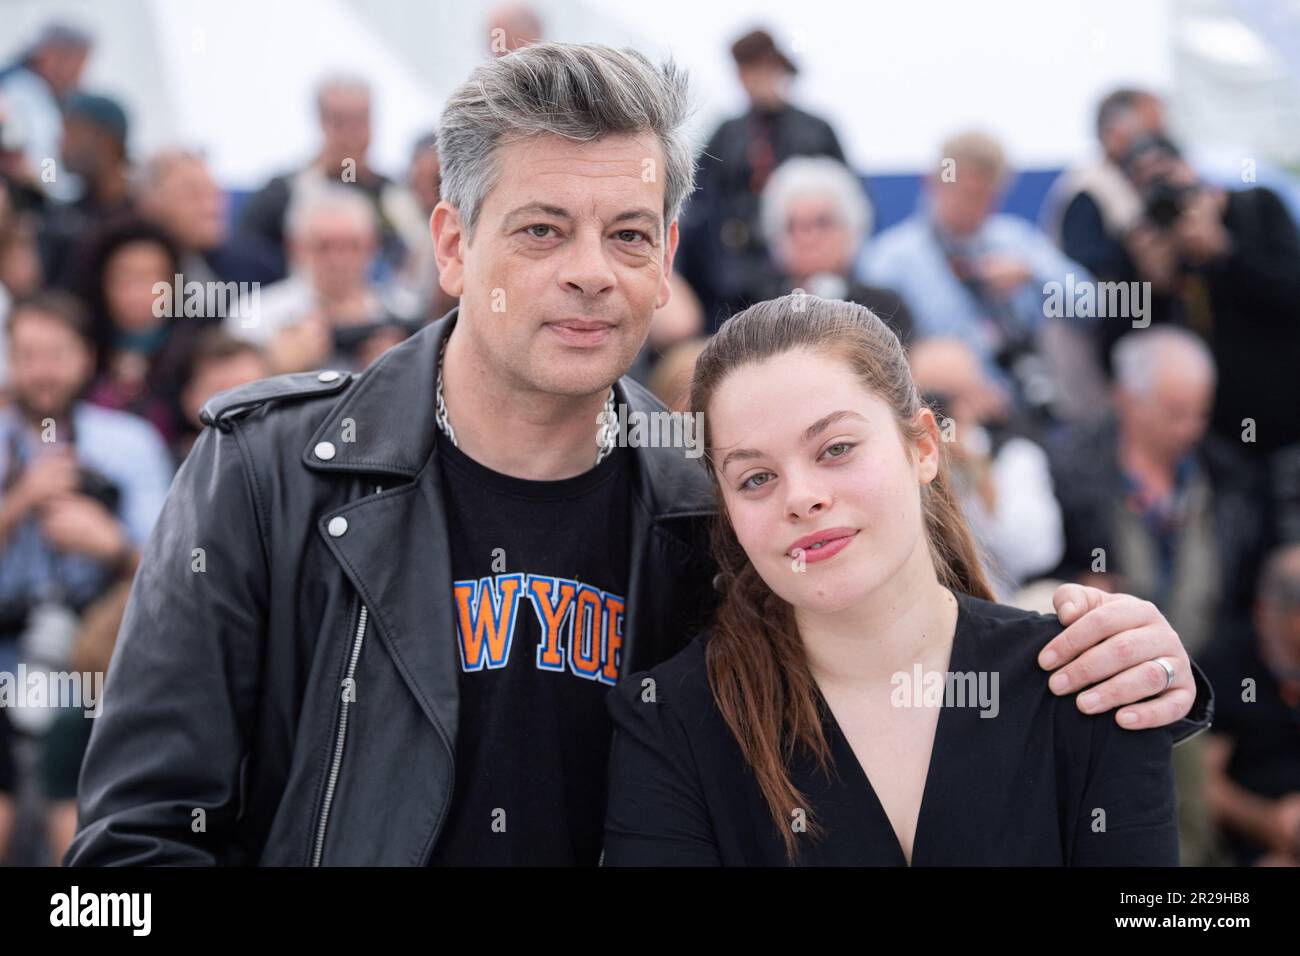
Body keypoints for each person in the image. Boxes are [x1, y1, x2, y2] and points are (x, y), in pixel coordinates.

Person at [66, 42, 1209, 868]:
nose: (589, 271)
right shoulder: (270, 470)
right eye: (541, 228)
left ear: (666, 256)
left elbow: (921, 669)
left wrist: (1153, 676)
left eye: (626, 234)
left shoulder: (710, 503)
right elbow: (120, 861)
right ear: (456, 246)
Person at [603, 295, 1180, 866]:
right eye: (755, 478)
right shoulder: (670, 724)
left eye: (836, 448)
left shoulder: (1086, 679)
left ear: (924, 446)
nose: (802, 498)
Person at [0, 292, 172, 682]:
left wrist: (112, 546)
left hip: (101, 651)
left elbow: (176, 571)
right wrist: (19, 500)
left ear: (86, 358)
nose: (43, 372)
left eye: (57, 355)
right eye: (28, 355)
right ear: (10, 361)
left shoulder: (131, 442)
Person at [860, 131, 1094, 417]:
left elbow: (1093, 305)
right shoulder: (890, 260)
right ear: (933, 184)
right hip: (942, 416)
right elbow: (872, 355)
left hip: (1028, 407)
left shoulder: (1016, 241)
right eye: (966, 192)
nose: (976, 207)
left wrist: (1033, 275)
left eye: (987, 196)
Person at [677, 28, 848, 328]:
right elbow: (698, 198)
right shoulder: (727, 133)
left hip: (798, 269)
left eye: (755, 70)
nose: (748, 81)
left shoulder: (816, 130)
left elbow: (847, 203)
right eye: (743, 73)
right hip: (732, 280)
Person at [237, 74, 411, 280]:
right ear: (321, 122)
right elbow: (246, 257)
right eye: (340, 122)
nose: (351, 134)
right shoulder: (281, 195)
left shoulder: (395, 197)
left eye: (360, 121)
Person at [229, 184, 417, 374]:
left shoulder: (405, 309)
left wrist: (399, 371)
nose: (337, 260)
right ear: (294, 247)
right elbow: (228, 392)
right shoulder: (257, 314)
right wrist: (275, 369)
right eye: (322, 247)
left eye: (351, 246)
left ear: (372, 246)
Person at [1202, 544, 1300, 866]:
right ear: (1264, 613)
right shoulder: (1225, 667)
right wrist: (1268, 820)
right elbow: (1200, 781)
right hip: (1248, 845)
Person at [749, 156, 913, 345]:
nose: (806, 237)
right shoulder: (756, 307)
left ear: (851, 230)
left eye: (822, 223)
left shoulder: (886, 307)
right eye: (793, 225)